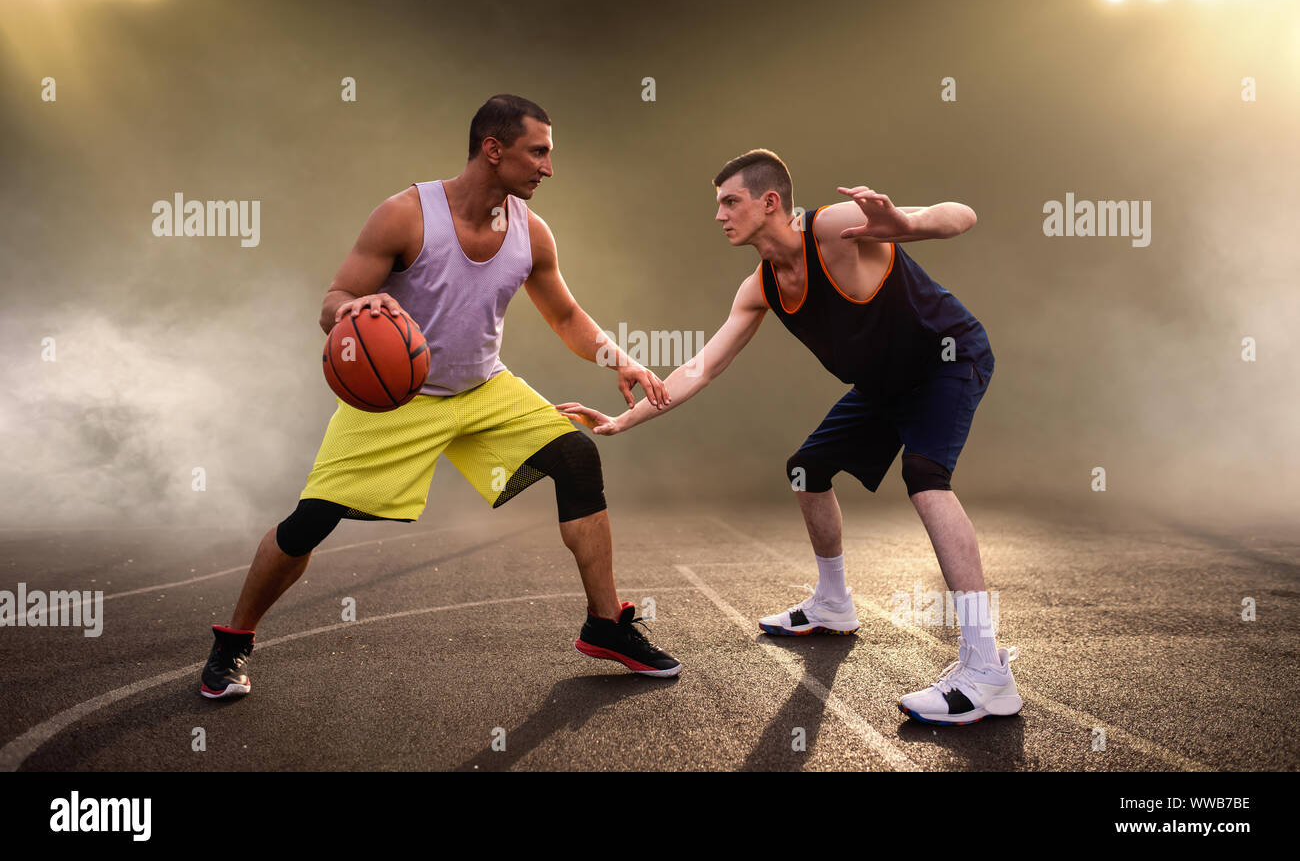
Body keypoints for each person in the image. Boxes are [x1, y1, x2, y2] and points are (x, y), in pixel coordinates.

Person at [200, 95, 682, 699]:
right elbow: (335, 298)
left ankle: (605, 625)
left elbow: (565, 316)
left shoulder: (530, 232)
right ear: (493, 149)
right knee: (310, 522)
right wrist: (351, 308)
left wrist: (621, 358)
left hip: (483, 388)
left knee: (577, 459)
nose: (548, 167)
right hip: (400, 398)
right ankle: (233, 641)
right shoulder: (405, 216)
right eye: (538, 152)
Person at [558, 149, 1020, 724]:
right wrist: (622, 419)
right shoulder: (760, 288)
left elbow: (962, 214)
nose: (720, 215)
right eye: (719, 204)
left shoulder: (832, 229)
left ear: (769, 202)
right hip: (884, 384)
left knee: (925, 478)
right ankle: (833, 604)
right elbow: (699, 369)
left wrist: (905, 225)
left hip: (947, 359)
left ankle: (986, 671)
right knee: (808, 468)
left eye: (731, 202)